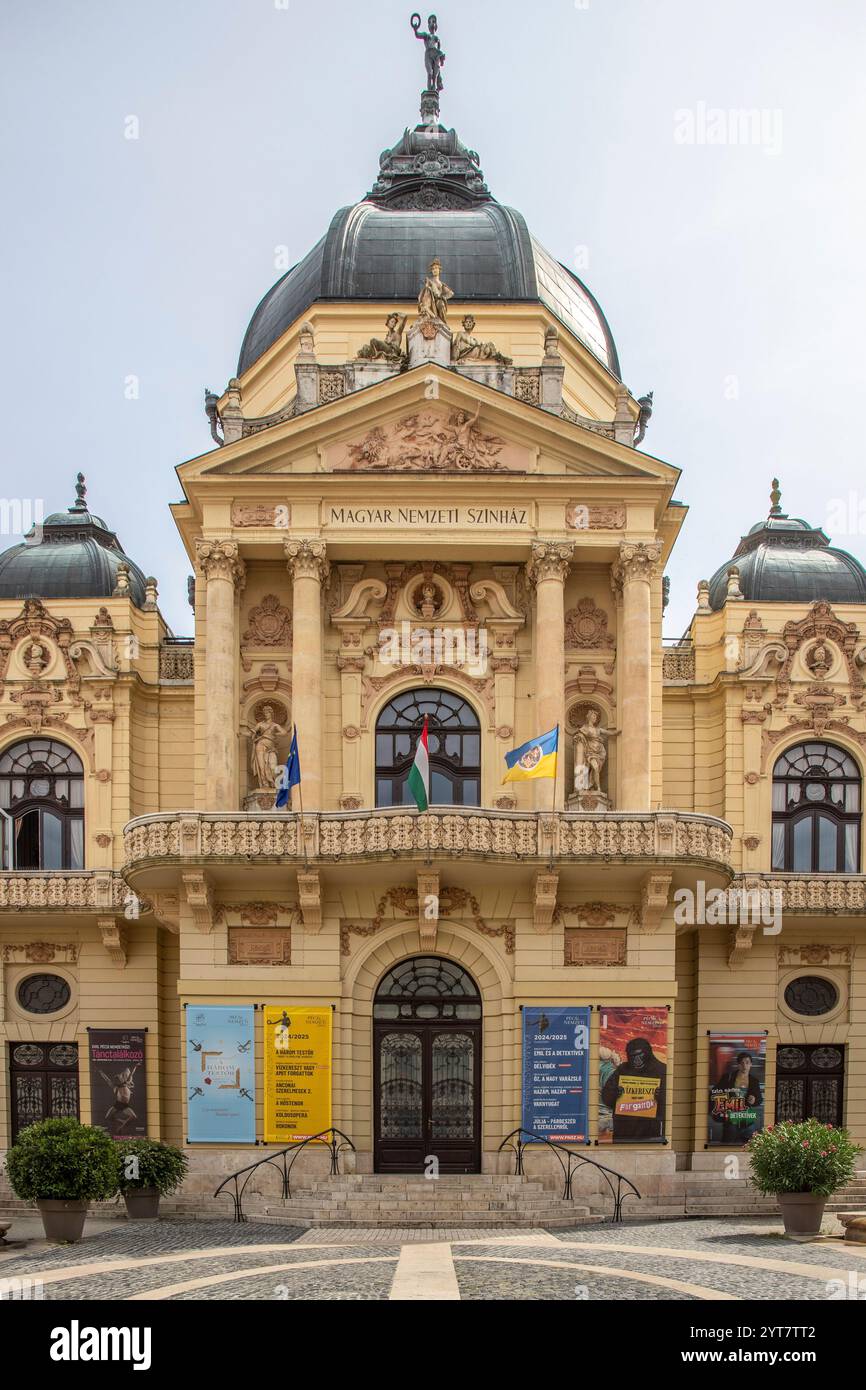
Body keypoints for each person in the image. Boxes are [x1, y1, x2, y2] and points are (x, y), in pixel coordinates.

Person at [601, 1037, 667, 1141]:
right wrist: (615, 1093)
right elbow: (606, 1098)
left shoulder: (662, 1070)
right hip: (624, 1133)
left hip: (650, 1134)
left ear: (648, 1053)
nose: (636, 1060)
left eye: (639, 1055)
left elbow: (668, 1109)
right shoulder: (622, 1069)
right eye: (633, 1056)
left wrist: (661, 1097)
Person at [714, 1050, 763, 1144]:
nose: (745, 1066)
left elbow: (759, 1100)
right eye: (742, 1063)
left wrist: (754, 1100)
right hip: (731, 1123)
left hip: (748, 1123)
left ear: (751, 1064)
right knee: (726, 1148)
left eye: (747, 1063)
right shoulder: (728, 1078)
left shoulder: (754, 1081)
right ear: (738, 1065)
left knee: (751, 1150)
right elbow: (716, 1093)